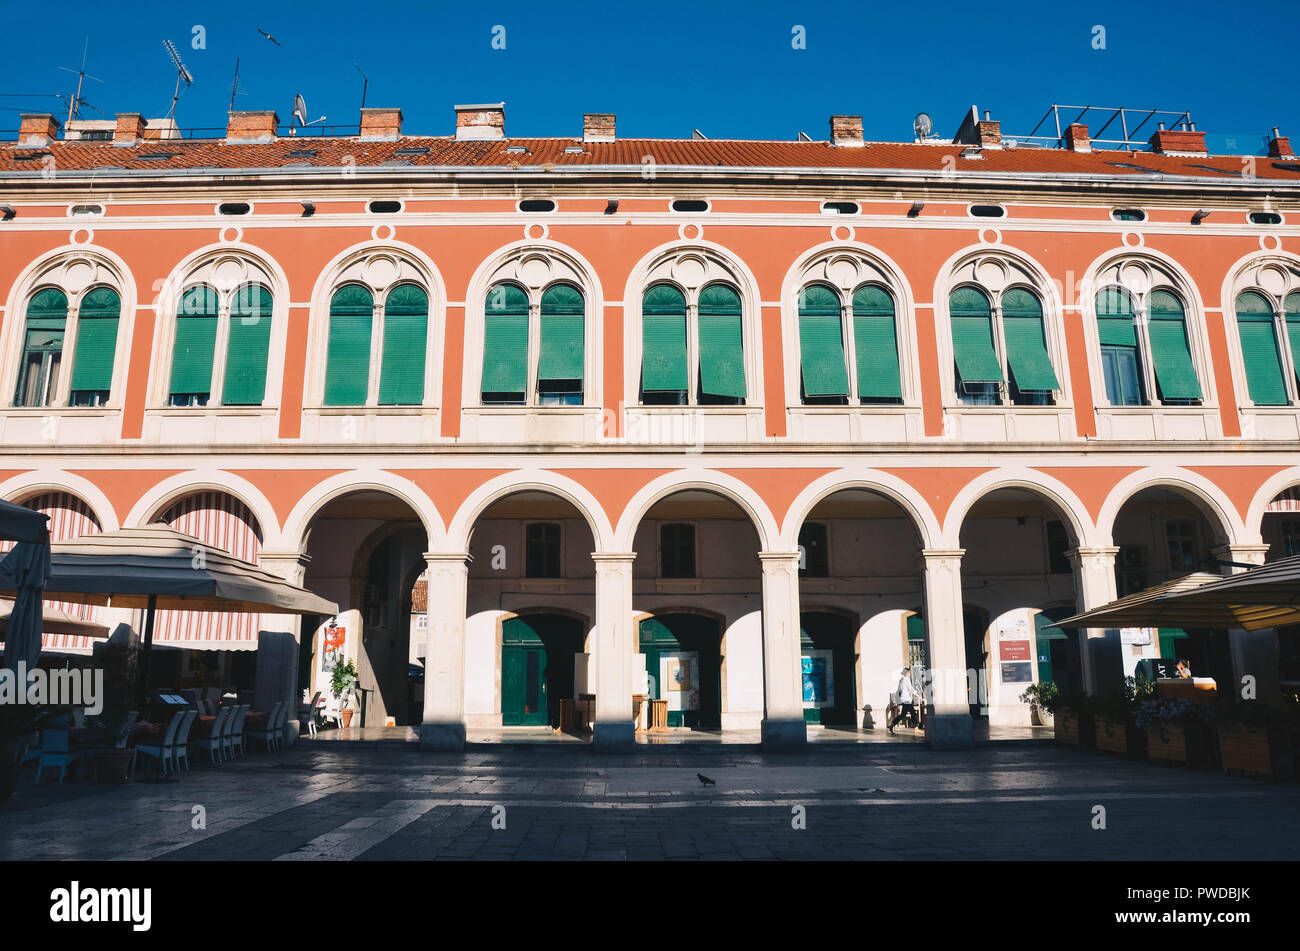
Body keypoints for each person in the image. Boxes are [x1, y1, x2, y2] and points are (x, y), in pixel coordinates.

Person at [889, 666, 917, 734]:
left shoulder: (902, 679)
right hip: (906, 700)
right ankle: (916, 726)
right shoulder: (906, 680)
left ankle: (892, 725)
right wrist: (918, 695)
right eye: (909, 672)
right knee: (913, 713)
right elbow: (910, 689)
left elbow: (903, 690)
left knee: (903, 715)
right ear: (907, 673)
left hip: (905, 699)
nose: (910, 674)